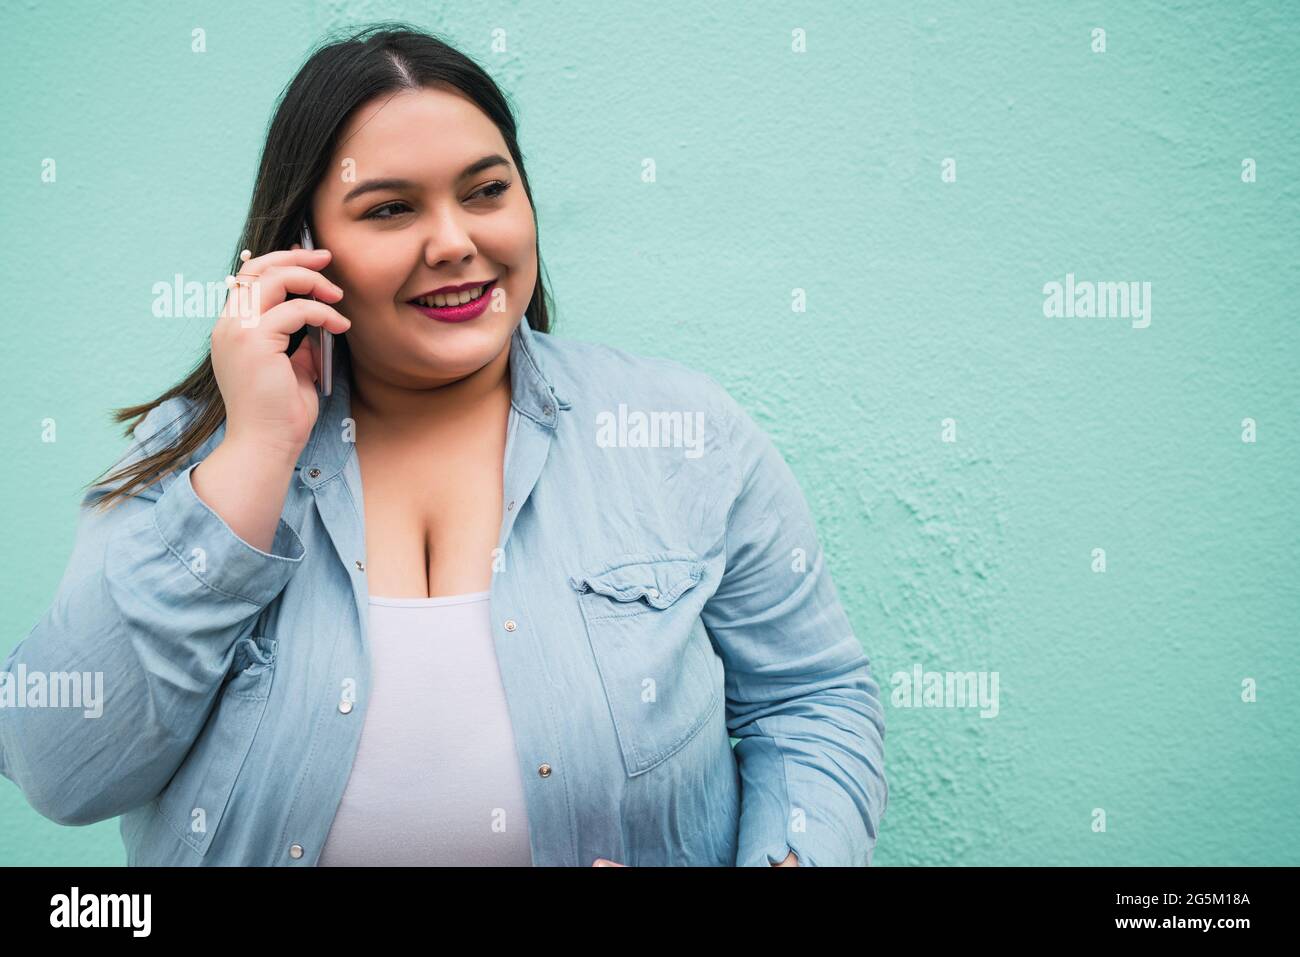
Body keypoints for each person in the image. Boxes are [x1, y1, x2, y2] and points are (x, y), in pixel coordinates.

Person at [0, 22, 887, 866]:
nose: (455, 242)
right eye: (389, 209)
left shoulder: (680, 434)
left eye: (486, 190)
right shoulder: (191, 460)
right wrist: (254, 458)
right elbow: (62, 768)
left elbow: (812, 700)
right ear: (302, 250)